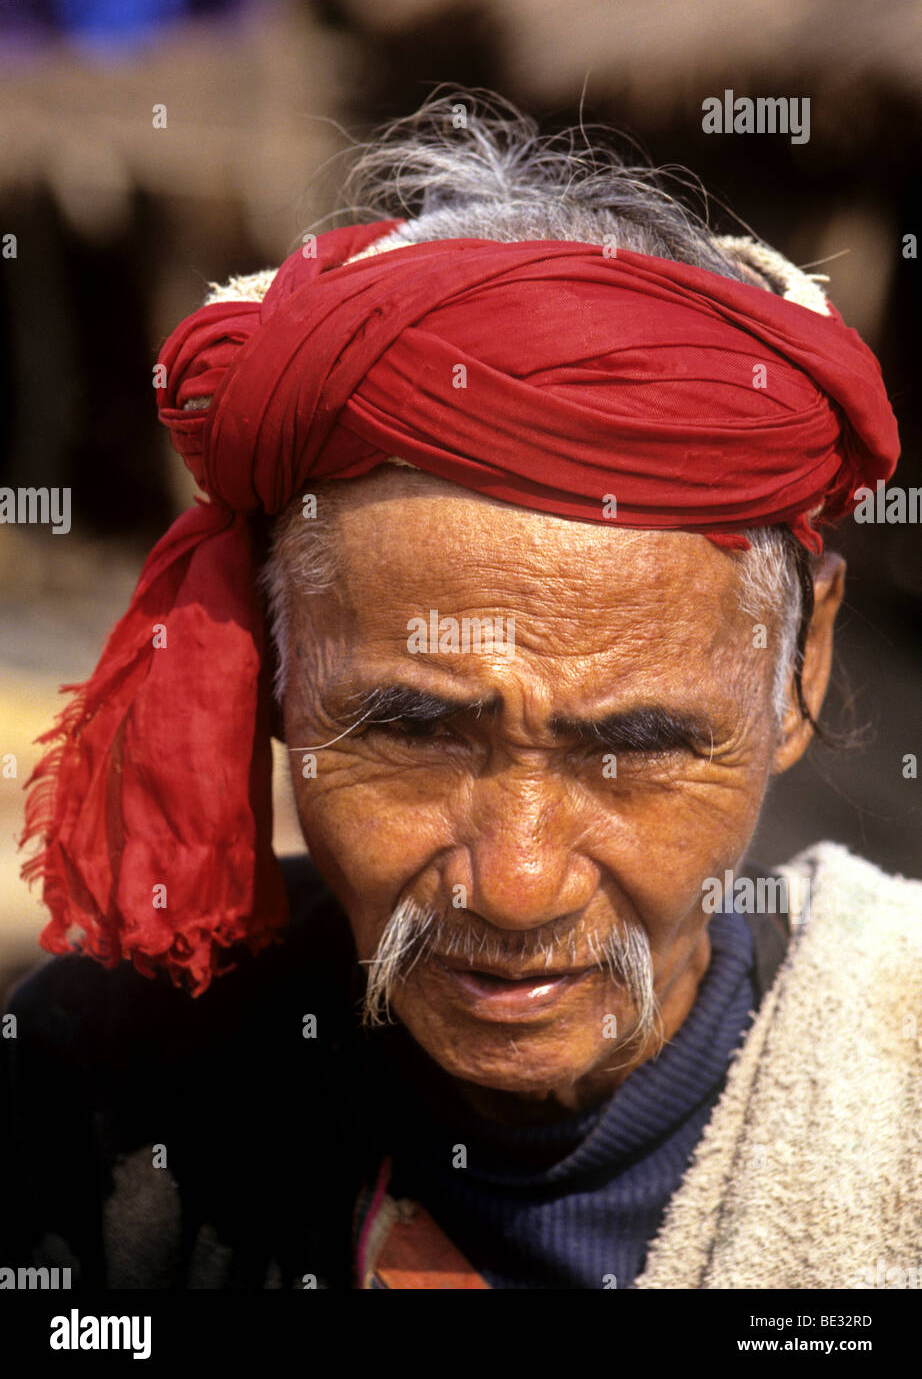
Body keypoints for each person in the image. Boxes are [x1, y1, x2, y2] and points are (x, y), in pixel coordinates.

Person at [3, 94, 920, 1291]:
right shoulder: (107, 1093)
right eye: (416, 733)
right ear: (276, 670)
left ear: (797, 674)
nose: (517, 881)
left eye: (633, 748)